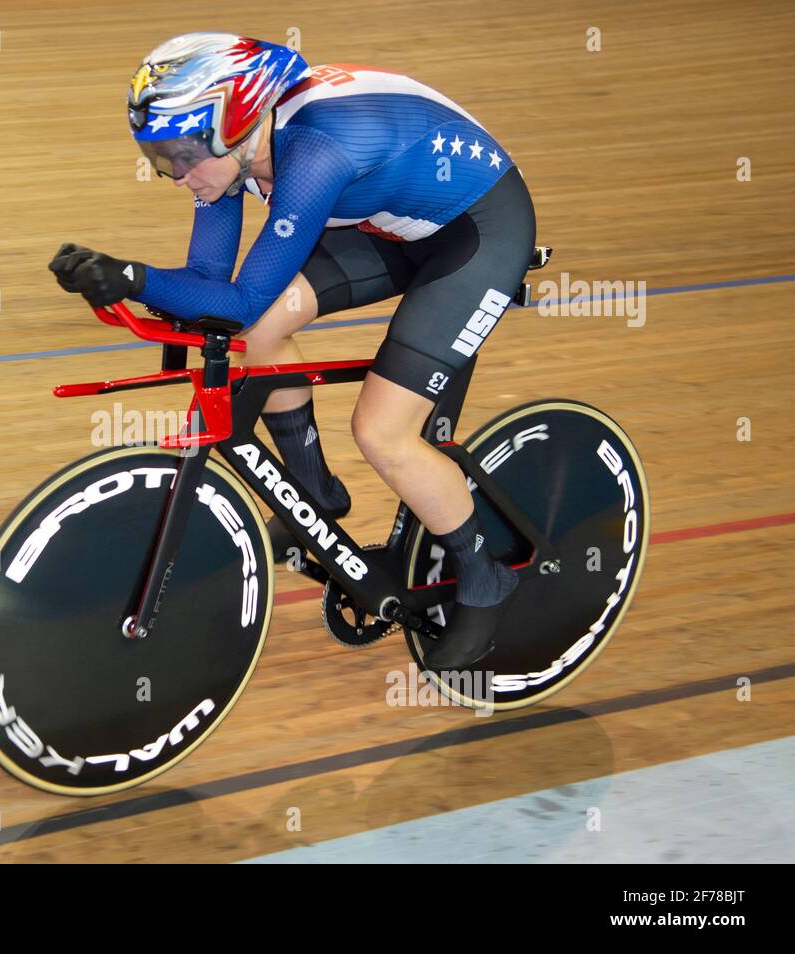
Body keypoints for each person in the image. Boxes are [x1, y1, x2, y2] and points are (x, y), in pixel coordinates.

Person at [48, 33, 537, 671]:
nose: (179, 174)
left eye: (182, 154)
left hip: (477, 233)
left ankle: (485, 578)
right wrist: (122, 280)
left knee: (384, 434)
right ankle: (316, 498)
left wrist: (136, 278)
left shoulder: (316, 152)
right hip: (390, 222)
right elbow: (211, 288)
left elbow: (239, 298)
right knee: (258, 335)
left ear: (238, 121)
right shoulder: (233, 155)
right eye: (161, 158)